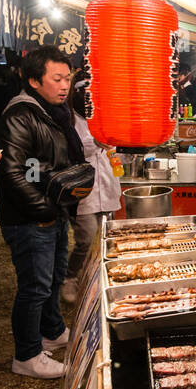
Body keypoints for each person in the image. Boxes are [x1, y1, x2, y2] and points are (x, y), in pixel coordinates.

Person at [0, 47, 83, 379]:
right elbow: (13, 174)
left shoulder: (53, 112)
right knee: (33, 286)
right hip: (29, 218)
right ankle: (27, 354)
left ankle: (53, 330)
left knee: (52, 279)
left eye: (67, 78)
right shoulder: (21, 114)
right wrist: (43, 209)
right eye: (56, 79)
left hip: (52, 211)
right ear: (33, 80)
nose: (64, 86)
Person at [62, 76, 123, 302]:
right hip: (83, 192)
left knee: (106, 239)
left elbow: (116, 151)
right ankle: (70, 278)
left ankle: (96, 280)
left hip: (107, 185)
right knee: (86, 240)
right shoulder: (68, 120)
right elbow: (71, 152)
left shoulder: (104, 118)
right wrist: (94, 143)